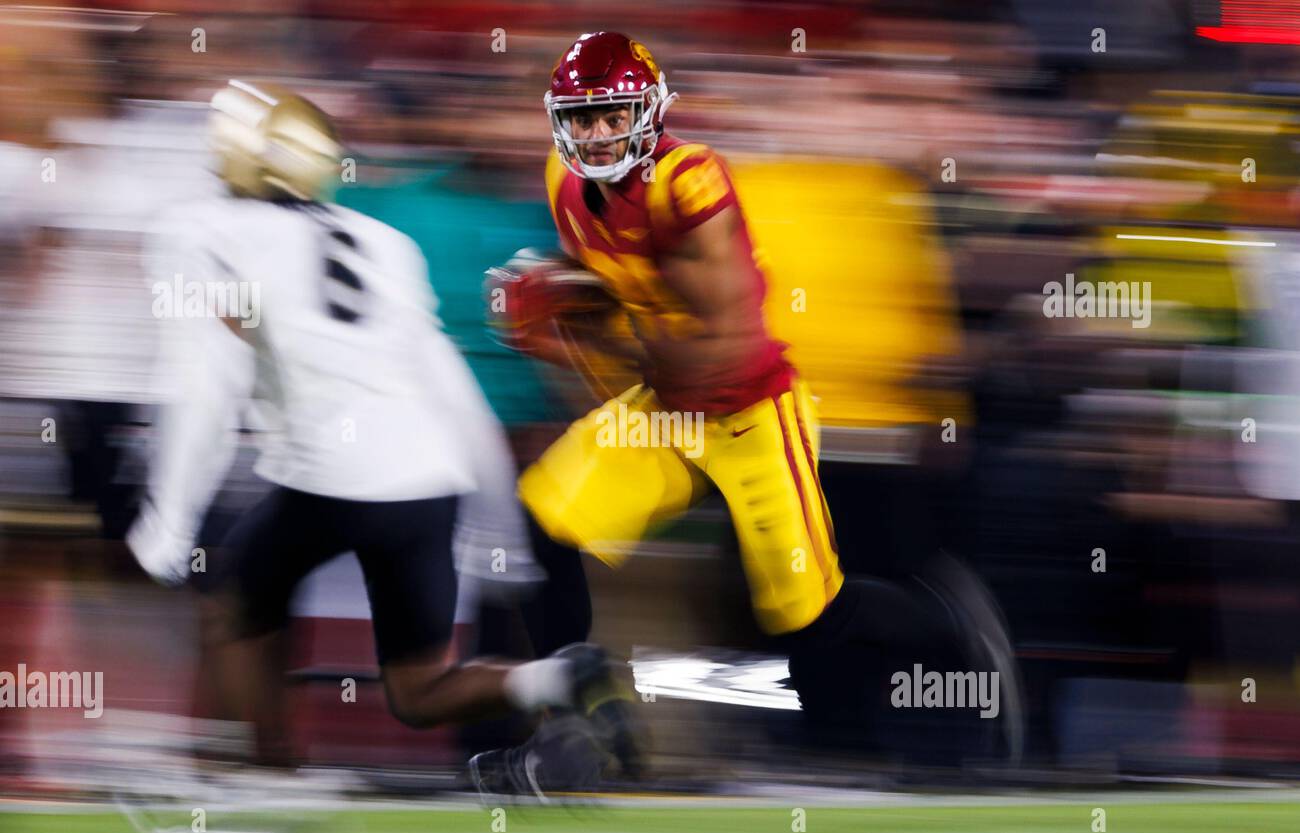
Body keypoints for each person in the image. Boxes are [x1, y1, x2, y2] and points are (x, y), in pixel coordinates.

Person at [485, 33, 1023, 772]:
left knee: (806, 619)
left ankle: (949, 632)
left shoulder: (691, 183)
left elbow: (723, 352)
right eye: (583, 118)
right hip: (667, 403)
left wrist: (584, 333)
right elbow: (617, 324)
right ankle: (582, 714)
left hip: (748, 410)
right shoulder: (563, 181)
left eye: (613, 116)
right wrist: (556, 307)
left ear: (648, 112)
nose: (598, 134)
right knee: (544, 517)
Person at [127, 80, 638, 785]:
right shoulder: (384, 242)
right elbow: (448, 381)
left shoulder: (201, 232)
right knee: (420, 691)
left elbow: (202, 382)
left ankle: (271, 781)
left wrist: (169, 516)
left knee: (235, 608)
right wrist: (500, 530)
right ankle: (558, 677)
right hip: (426, 477)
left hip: (326, 471)